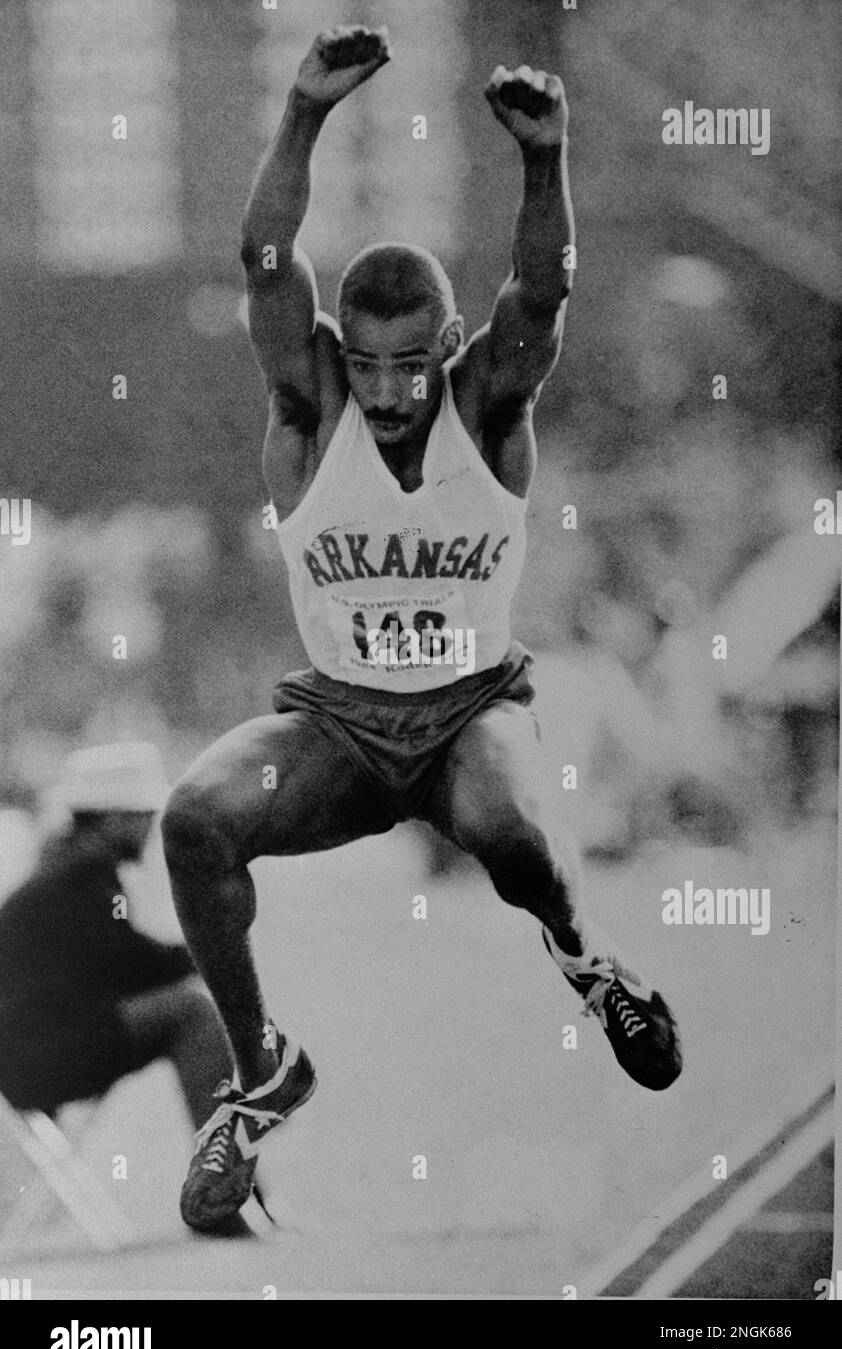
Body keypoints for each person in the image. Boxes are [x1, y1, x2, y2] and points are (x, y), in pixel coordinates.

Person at [162, 25, 682, 1235]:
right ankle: (260, 1074)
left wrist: (543, 160)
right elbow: (262, 255)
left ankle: (584, 954)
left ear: (447, 355)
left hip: (465, 714)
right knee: (194, 816)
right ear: (344, 353)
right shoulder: (309, 406)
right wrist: (298, 111)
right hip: (339, 722)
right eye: (373, 367)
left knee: (510, 833)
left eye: (414, 370)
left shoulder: (487, 408)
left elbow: (540, 293)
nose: (392, 396)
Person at [0, 744, 232, 1137]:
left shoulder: (68, 867)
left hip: (30, 1050)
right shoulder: (80, 879)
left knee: (185, 1004)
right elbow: (131, 963)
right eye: (141, 817)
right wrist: (210, 950)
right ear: (110, 819)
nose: (150, 829)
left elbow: (121, 957)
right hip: (33, 1059)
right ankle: (224, 1172)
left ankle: (228, 1162)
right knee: (191, 1012)